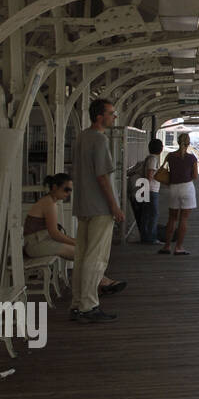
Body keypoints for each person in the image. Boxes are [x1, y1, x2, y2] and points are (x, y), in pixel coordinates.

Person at [24, 173, 125, 296]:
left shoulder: (50, 202)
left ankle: (99, 283)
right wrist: (76, 241)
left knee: (81, 252)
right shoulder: (48, 204)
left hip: (41, 241)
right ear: (55, 187)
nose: (68, 193)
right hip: (37, 244)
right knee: (80, 252)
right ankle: (99, 283)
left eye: (70, 190)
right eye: (66, 189)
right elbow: (55, 233)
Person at [70, 99, 125, 322]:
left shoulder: (82, 137)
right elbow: (102, 177)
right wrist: (114, 206)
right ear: (99, 116)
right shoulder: (100, 140)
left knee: (81, 257)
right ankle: (88, 306)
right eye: (111, 113)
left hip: (82, 206)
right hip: (100, 208)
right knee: (96, 259)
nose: (115, 117)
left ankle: (77, 304)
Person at [158, 133, 199, 255]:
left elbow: (163, 170)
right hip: (187, 188)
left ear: (177, 142)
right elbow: (195, 176)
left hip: (173, 188)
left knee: (172, 218)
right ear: (188, 143)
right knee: (183, 219)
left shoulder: (170, 156)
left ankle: (166, 246)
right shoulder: (192, 158)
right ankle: (179, 247)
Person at [136, 138, 164, 244]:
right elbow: (150, 174)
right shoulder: (153, 159)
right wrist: (146, 189)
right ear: (160, 149)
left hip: (147, 189)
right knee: (153, 214)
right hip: (151, 190)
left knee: (146, 214)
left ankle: (145, 236)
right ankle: (151, 237)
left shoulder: (149, 158)